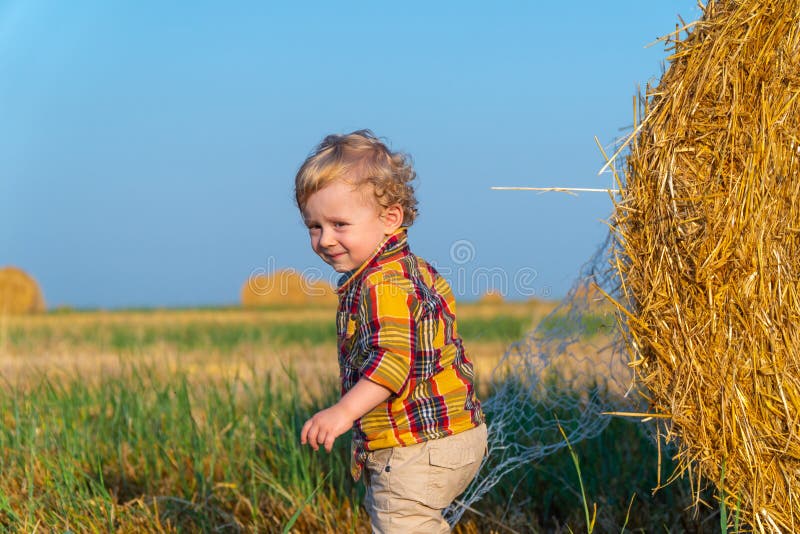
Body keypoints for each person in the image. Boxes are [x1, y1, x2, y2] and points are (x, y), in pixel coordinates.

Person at [295, 130, 486, 533]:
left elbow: (392, 363)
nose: (325, 239)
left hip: (417, 444)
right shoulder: (415, 270)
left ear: (390, 218)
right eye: (314, 226)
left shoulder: (380, 284)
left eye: (339, 224)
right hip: (458, 434)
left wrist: (343, 412)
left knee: (401, 521)